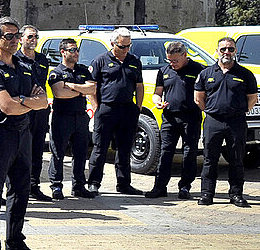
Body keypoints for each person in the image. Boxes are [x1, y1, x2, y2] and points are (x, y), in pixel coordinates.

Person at [0, 18, 49, 250]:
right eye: (9, 36)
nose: (15, 40)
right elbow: (7, 107)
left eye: (17, 35)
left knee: (20, 190)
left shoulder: (24, 66)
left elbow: (43, 101)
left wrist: (22, 101)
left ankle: (15, 241)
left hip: (23, 134)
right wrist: (27, 102)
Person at [195, 36, 258, 207]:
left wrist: (239, 111)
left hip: (236, 122)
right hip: (213, 121)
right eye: (223, 49)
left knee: (237, 159)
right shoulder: (206, 73)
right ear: (217, 51)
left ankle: (236, 194)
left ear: (235, 51)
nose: (227, 52)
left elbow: (252, 98)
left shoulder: (245, 74)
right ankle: (207, 194)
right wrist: (212, 111)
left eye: (230, 49)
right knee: (210, 159)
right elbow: (199, 98)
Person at [87, 27, 146, 195]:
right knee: (100, 148)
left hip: (127, 109)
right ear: (113, 44)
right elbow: (91, 87)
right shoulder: (100, 61)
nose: (126, 49)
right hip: (106, 109)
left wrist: (138, 107)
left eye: (128, 46)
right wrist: (96, 107)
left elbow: (139, 86)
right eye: (122, 46)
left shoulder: (134, 61)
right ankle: (94, 183)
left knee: (125, 148)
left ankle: (124, 184)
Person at [146, 41, 205, 199]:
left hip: (191, 117)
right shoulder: (164, 70)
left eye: (175, 60)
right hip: (169, 117)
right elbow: (157, 93)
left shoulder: (198, 70)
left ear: (185, 55)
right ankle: (160, 186)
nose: (172, 64)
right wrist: (157, 101)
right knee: (165, 152)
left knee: (189, 152)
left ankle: (185, 186)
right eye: (170, 60)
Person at [46, 37, 97, 199]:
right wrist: (82, 90)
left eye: (77, 50)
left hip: (80, 117)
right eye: (72, 50)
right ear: (63, 52)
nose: (76, 53)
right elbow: (59, 93)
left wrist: (73, 87)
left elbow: (92, 89)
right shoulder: (57, 72)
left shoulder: (83, 70)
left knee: (81, 153)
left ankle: (79, 186)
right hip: (62, 118)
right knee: (58, 153)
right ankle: (56, 186)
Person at [18, 25, 53, 201]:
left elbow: (41, 84)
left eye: (36, 37)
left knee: (37, 148)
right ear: (21, 39)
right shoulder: (15, 59)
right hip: (23, 108)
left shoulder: (42, 59)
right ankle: (17, 187)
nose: (33, 40)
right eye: (30, 37)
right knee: (19, 150)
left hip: (40, 110)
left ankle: (34, 185)